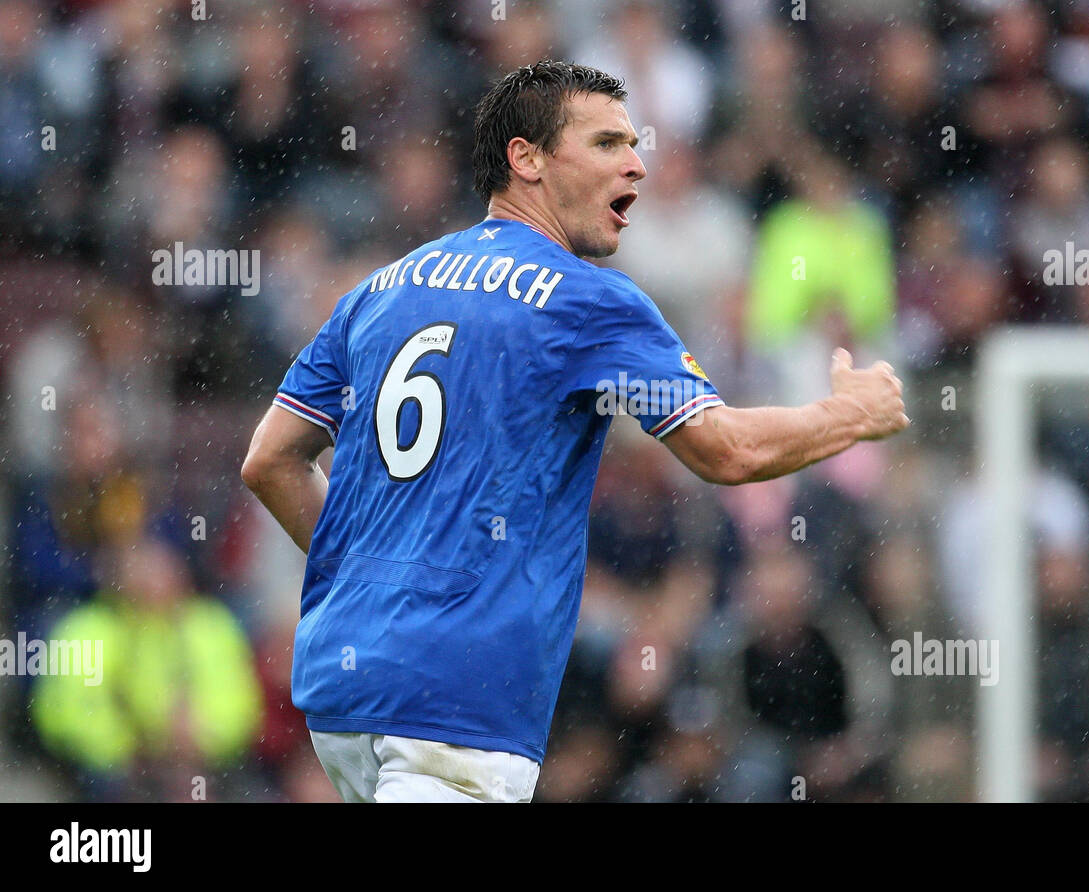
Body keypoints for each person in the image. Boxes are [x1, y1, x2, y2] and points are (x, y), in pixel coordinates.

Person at [240, 60, 909, 803]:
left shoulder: (378, 289)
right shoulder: (587, 302)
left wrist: (366, 569)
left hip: (345, 681)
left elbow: (269, 461)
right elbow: (726, 449)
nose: (637, 163)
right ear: (524, 159)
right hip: (458, 699)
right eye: (607, 143)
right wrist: (848, 415)